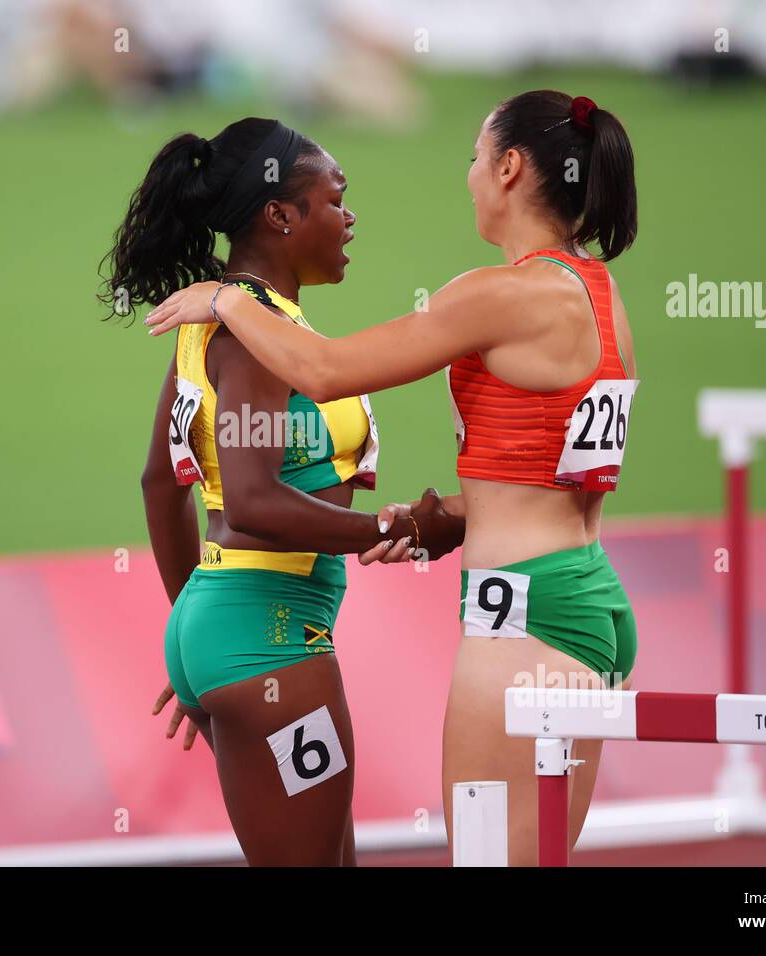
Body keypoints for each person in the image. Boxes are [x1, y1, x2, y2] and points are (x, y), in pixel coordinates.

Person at [144, 91, 640, 865]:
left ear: (510, 168)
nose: (468, 175)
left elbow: (326, 370)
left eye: (475, 158)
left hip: (518, 613)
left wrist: (221, 298)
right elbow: (555, 472)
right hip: (589, 599)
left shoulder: (495, 295)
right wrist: (428, 521)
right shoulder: (602, 295)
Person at [106, 117, 463, 865]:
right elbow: (252, 503)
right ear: (280, 214)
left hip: (237, 631)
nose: (350, 216)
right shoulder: (250, 333)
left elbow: (156, 482)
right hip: (269, 640)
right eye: (336, 198)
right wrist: (395, 531)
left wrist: (198, 633)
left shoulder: (217, 322)